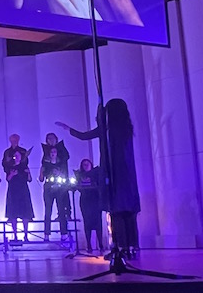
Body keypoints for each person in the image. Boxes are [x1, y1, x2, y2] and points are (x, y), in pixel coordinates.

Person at [57, 98, 141, 256]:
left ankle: (120, 247)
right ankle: (131, 247)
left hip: (114, 174)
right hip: (127, 176)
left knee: (116, 211)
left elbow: (84, 136)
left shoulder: (107, 130)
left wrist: (69, 129)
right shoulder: (126, 128)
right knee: (128, 212)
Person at [3, 136, 33, 243]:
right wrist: (11, 173)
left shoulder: (24, 163)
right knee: (13, 213)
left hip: (23, 189)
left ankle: (25, 235)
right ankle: (15, 235)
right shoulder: (7, 156)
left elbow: (30, 179)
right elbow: (7, 177)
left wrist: (28, 173)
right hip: (13, 190)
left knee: (25, 213)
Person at [39, 145, 70, 242]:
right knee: (48, 210)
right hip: (48, 188)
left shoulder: (61, 164)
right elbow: (41, 179)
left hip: (59, 188)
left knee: (61, 210)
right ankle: (46, 233)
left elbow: (65, 175)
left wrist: (59, 173)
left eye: (54, 152)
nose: (53, 154)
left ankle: (64, 233)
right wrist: (41, 172)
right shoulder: (46, 164)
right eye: (51, 152)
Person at [75, 158, 105, 253]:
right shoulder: (80, 175)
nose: (86, 166)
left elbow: (100, 186)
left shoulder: (96, 174)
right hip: (85, 201)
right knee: (87, 223)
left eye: (88, 164)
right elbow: (78, 188)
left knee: (98, 222)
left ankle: (101, 244)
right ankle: (89, 245)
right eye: (84, 164)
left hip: (95, 201)